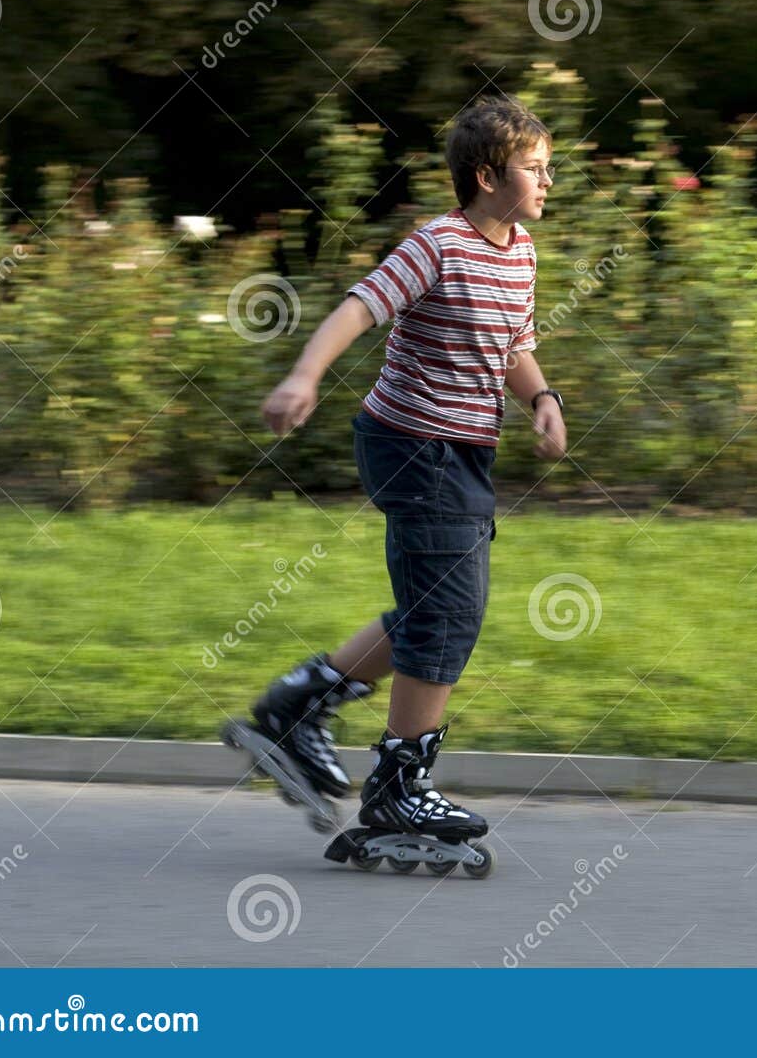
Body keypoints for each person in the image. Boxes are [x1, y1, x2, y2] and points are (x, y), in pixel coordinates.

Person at [229, 95, 566, 845]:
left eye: (549, 169)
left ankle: (297, 703)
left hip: (464, 450)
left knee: (431, 606)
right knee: (447, 614)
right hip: (413, 445)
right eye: (535, 169)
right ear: (486, 174)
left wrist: (540, 396)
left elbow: (513, 342)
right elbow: (360, 307)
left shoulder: (519, 250)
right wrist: (304, 376)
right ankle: (400, 786)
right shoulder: (437, 244)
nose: (548, 182)